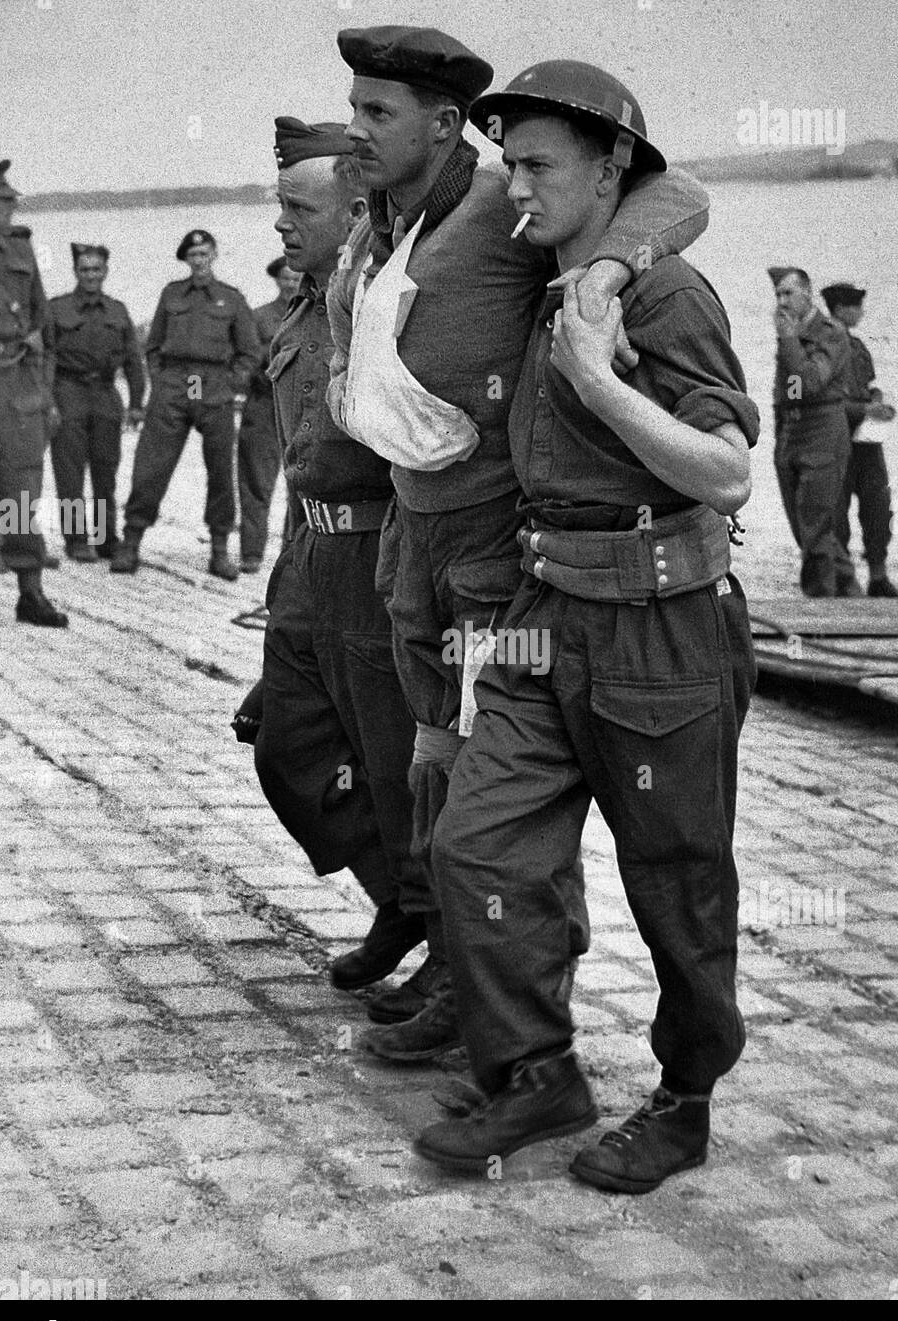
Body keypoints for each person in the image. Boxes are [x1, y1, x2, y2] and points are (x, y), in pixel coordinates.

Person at [326, 25, 712, 1062]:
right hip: (417, 532)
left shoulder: (505, 198)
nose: (355, 130)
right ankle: (460, 963)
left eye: (377, 113)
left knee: (501, 793)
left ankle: (488, 997)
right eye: (352, 108)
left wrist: (606, 277)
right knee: (434, 766)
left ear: (447, 124)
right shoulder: (377, 218)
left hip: (499, 548)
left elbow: (680, 199)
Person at [412, 62, 759, 1191]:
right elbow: (674, 195)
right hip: (542, 617)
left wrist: (605, 383)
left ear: (610, 169)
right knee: (477, 844)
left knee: (677, 879)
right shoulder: (547, 269)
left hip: (662, 630)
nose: (516, 185)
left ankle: (685, 1101)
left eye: (538, 165)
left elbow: (728, 472)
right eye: (508, 163)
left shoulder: (665, 300)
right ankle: (538, 1070)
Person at [250, 117, 434, 995]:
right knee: (287, 744)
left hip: (375, 564)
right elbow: (298, 466)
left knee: (394, 764)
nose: (280, 224)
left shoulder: (385, 306)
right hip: (308, 563)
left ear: (355, 209)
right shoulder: (297, 305)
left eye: (295, 206)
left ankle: (438, 937)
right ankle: (396, 897)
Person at [111, 229, 258, 579]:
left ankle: (220, 548)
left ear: (215, 255)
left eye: (205, 254)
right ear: (186, 260)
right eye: (193, 256)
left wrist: (231, 384)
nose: (199, 262)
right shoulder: (172, 294)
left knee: (221, 470)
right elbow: (152, 345)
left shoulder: (231, 299)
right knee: (151, 466)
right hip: (175, 388)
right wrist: (161, 381)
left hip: (214, 389)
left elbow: (249, 352)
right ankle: (131, 540)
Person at [0, 159, 67, 630]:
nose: (12, 203)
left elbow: (42, 327)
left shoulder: (21, 250)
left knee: (22, 488)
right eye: (1, 197)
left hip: (18, 383)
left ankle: (30, 591)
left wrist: (44, 392)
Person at [45, 243, 145, 562]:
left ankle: (104, 537)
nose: (91, 275)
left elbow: (132, 360)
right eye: (85, 269)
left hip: (105, 396)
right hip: (67, 392)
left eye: (96, 269)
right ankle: (76, 540)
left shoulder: (117, 310)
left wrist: (135, 402)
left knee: (106, 472)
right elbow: (44, 358)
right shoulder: (56, 309)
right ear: (75, 272)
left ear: (105, 272)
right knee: (70, 473)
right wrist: (48, 403)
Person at [771, 266, 858, 597]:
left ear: (807, 294)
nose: (781, 301)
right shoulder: (790, 329)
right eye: (778, 294)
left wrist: (789, 339)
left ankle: (820, 601)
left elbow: (808, 382)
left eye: (788, 294)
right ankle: (849, 590)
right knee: (802, 522)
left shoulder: (831, 333)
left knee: (814, 522)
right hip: (790, 429)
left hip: (822, 428)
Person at [821, 282, 898, 598]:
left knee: (879, 509)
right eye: (856, 305)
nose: (861, 312)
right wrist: (865, 407)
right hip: (836, 441)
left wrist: (877, 399)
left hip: (867, 442)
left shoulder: (857, 347)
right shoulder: (821, 348)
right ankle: (844, 580)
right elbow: (823, 403)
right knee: (836, 515)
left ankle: (878, 577)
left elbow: (867, 385)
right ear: (842, 308)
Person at [236, 255, 299, 573]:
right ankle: (251, 553)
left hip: (300, 409)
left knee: (301, 484)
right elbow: (243, 357)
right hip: (263, 405)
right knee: (255, 483)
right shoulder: (258, 317)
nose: (290, 283)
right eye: (284, 278)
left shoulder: (315, 314)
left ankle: (295, 552)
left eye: (295, 277)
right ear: (276, 280)